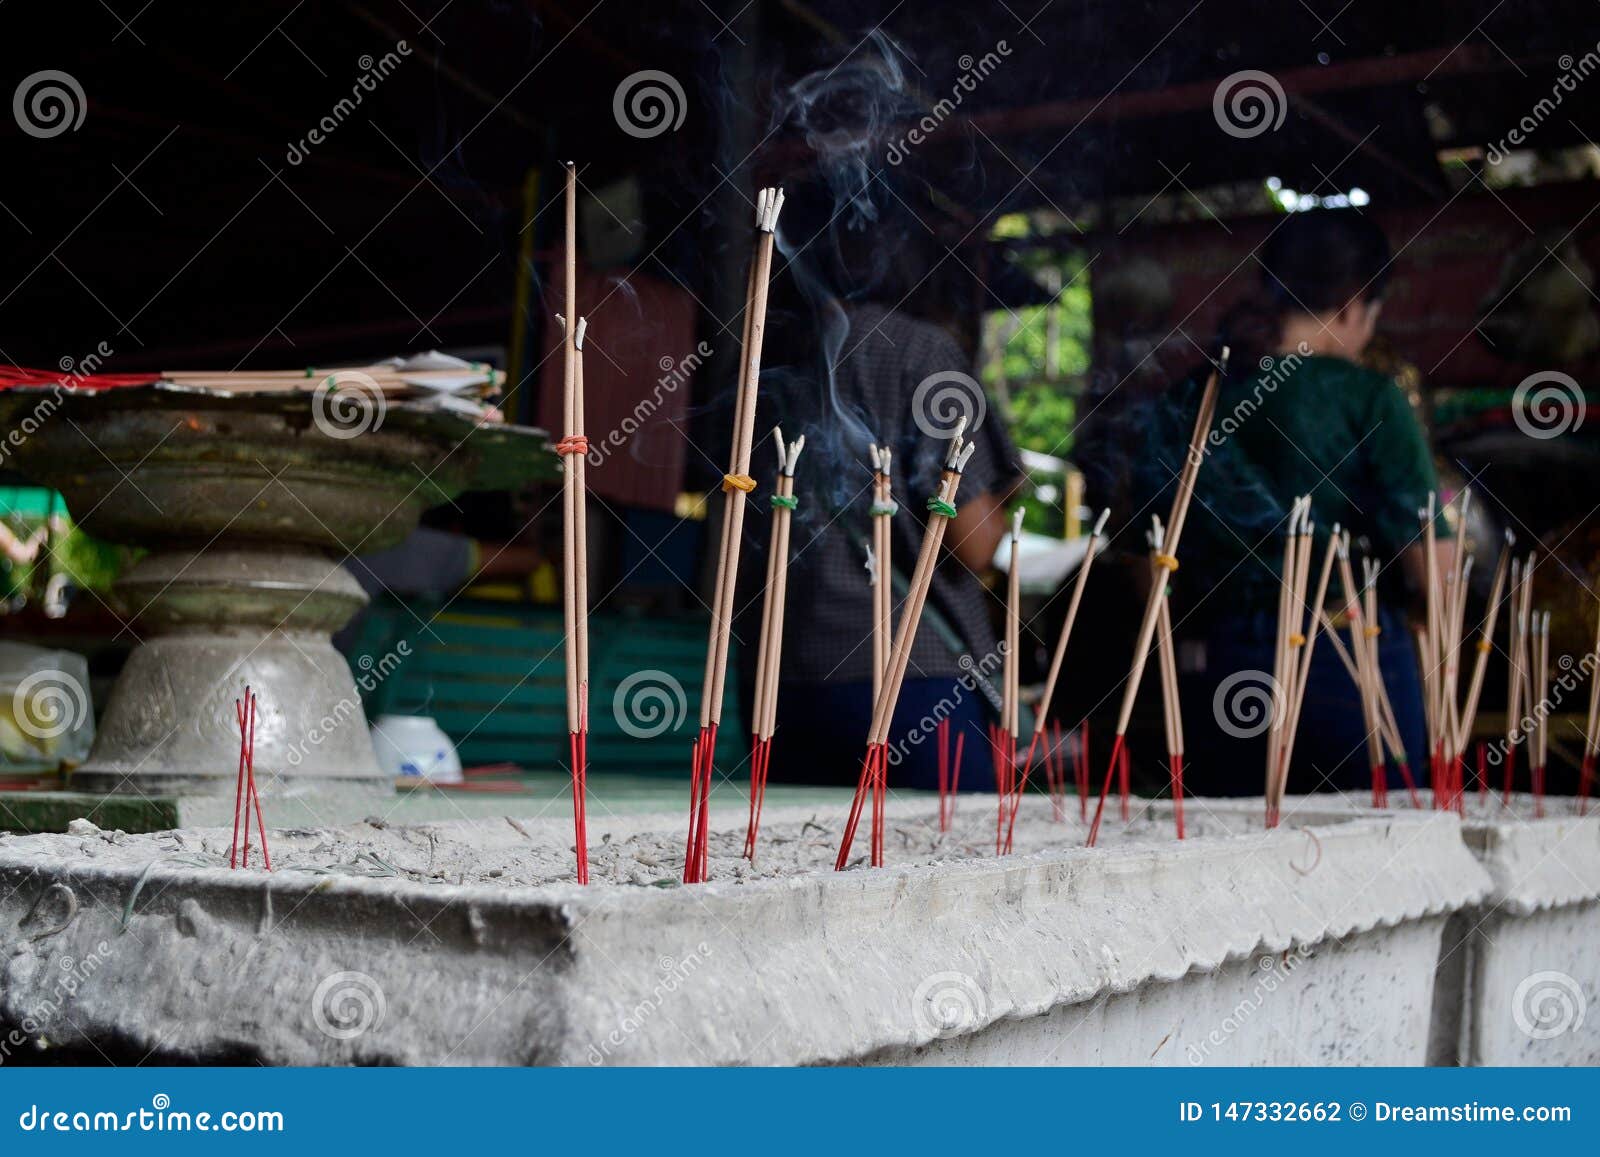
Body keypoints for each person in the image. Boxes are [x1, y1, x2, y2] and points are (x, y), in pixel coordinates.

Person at [1137, 209, 1447, 796]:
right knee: (1376, 857)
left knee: (1236, 857)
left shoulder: (1192, 395)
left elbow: (1144, 555)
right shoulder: (1366, 394)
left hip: (1219, 662)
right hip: (1350, 662)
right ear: (1355, 305)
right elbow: (1433, 565)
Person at [740, 301, 1023, 791]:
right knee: (949, 860)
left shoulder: (768, 340)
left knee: (804, 860)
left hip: (777, 678)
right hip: (913, 679)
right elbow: (975, 546)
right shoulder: (923, 350)